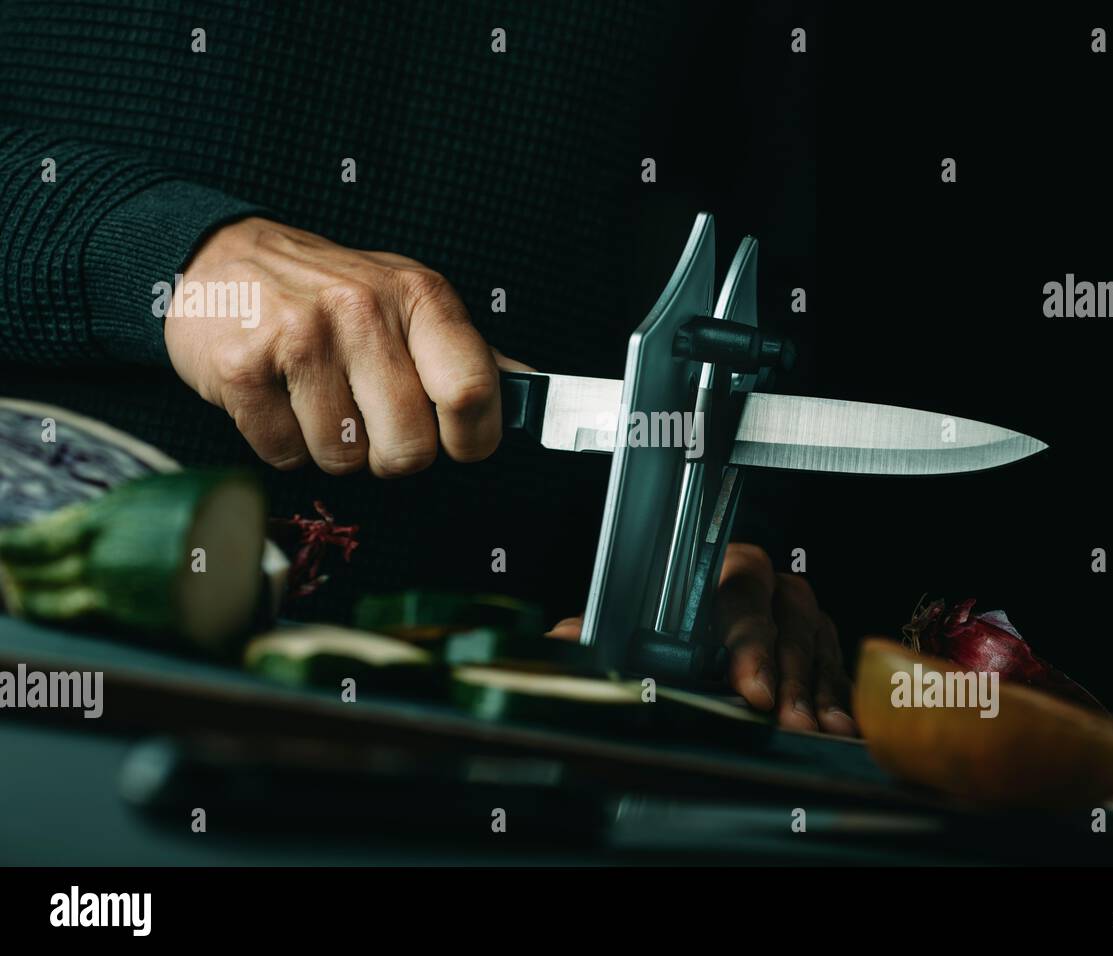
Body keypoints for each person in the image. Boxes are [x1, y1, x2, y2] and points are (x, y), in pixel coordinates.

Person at [0, 0, 852, 734]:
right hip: (57, 666)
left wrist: (719, 548)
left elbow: (763, 243)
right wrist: (159, 257)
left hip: (501, 734)